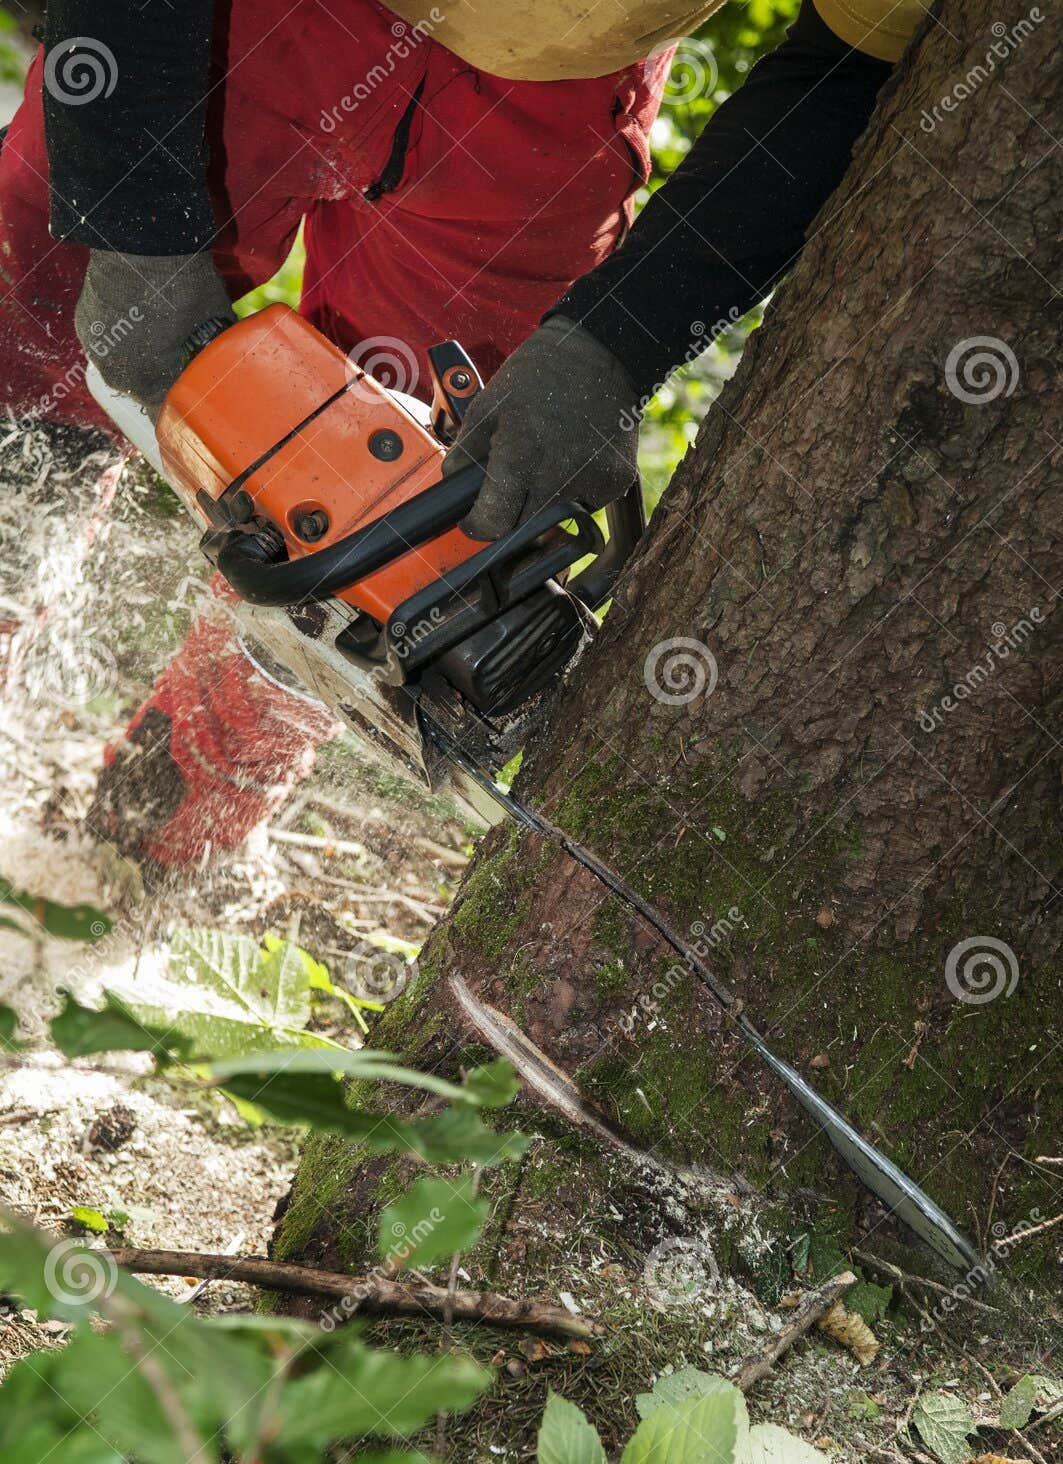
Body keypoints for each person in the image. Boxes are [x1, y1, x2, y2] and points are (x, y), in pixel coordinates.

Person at [0, 0, 927, 871]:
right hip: (254, 23)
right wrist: (133, 223)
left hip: (557, 100)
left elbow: (853, 61)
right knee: (19, 345)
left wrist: (615, 344)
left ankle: (116, 884)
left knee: (400, 562)